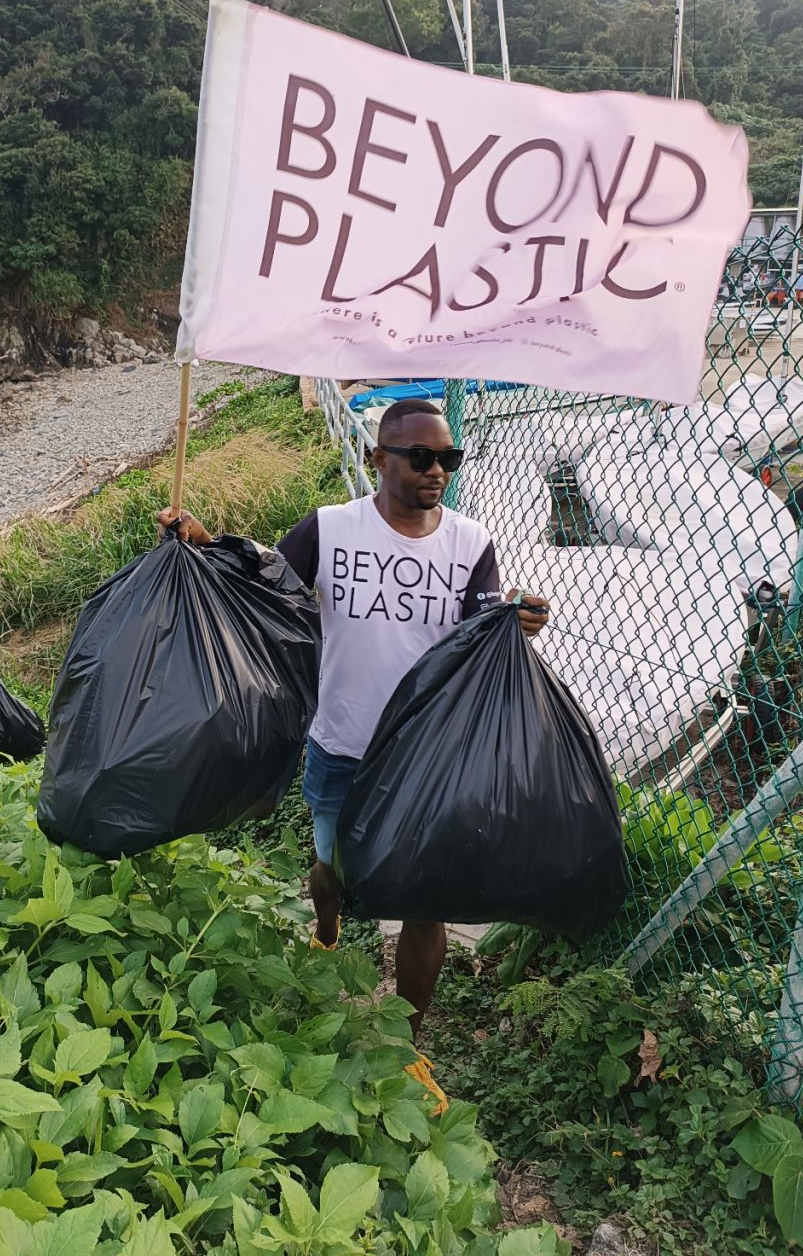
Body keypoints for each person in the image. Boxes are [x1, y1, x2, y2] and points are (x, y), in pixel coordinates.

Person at [159, 397, 549, 1111]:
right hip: (339, 742)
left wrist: (516, 622)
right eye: (419, 457)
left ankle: (408, 1047)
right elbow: (265, 586)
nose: (436, 471)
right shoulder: (330, 530)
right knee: (331, 865)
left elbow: (480, 630)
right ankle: (328, 929)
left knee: (426, 903)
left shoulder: (469, 542)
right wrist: (202, 539)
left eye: (447, 458)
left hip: (425, 759)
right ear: (378, 459)